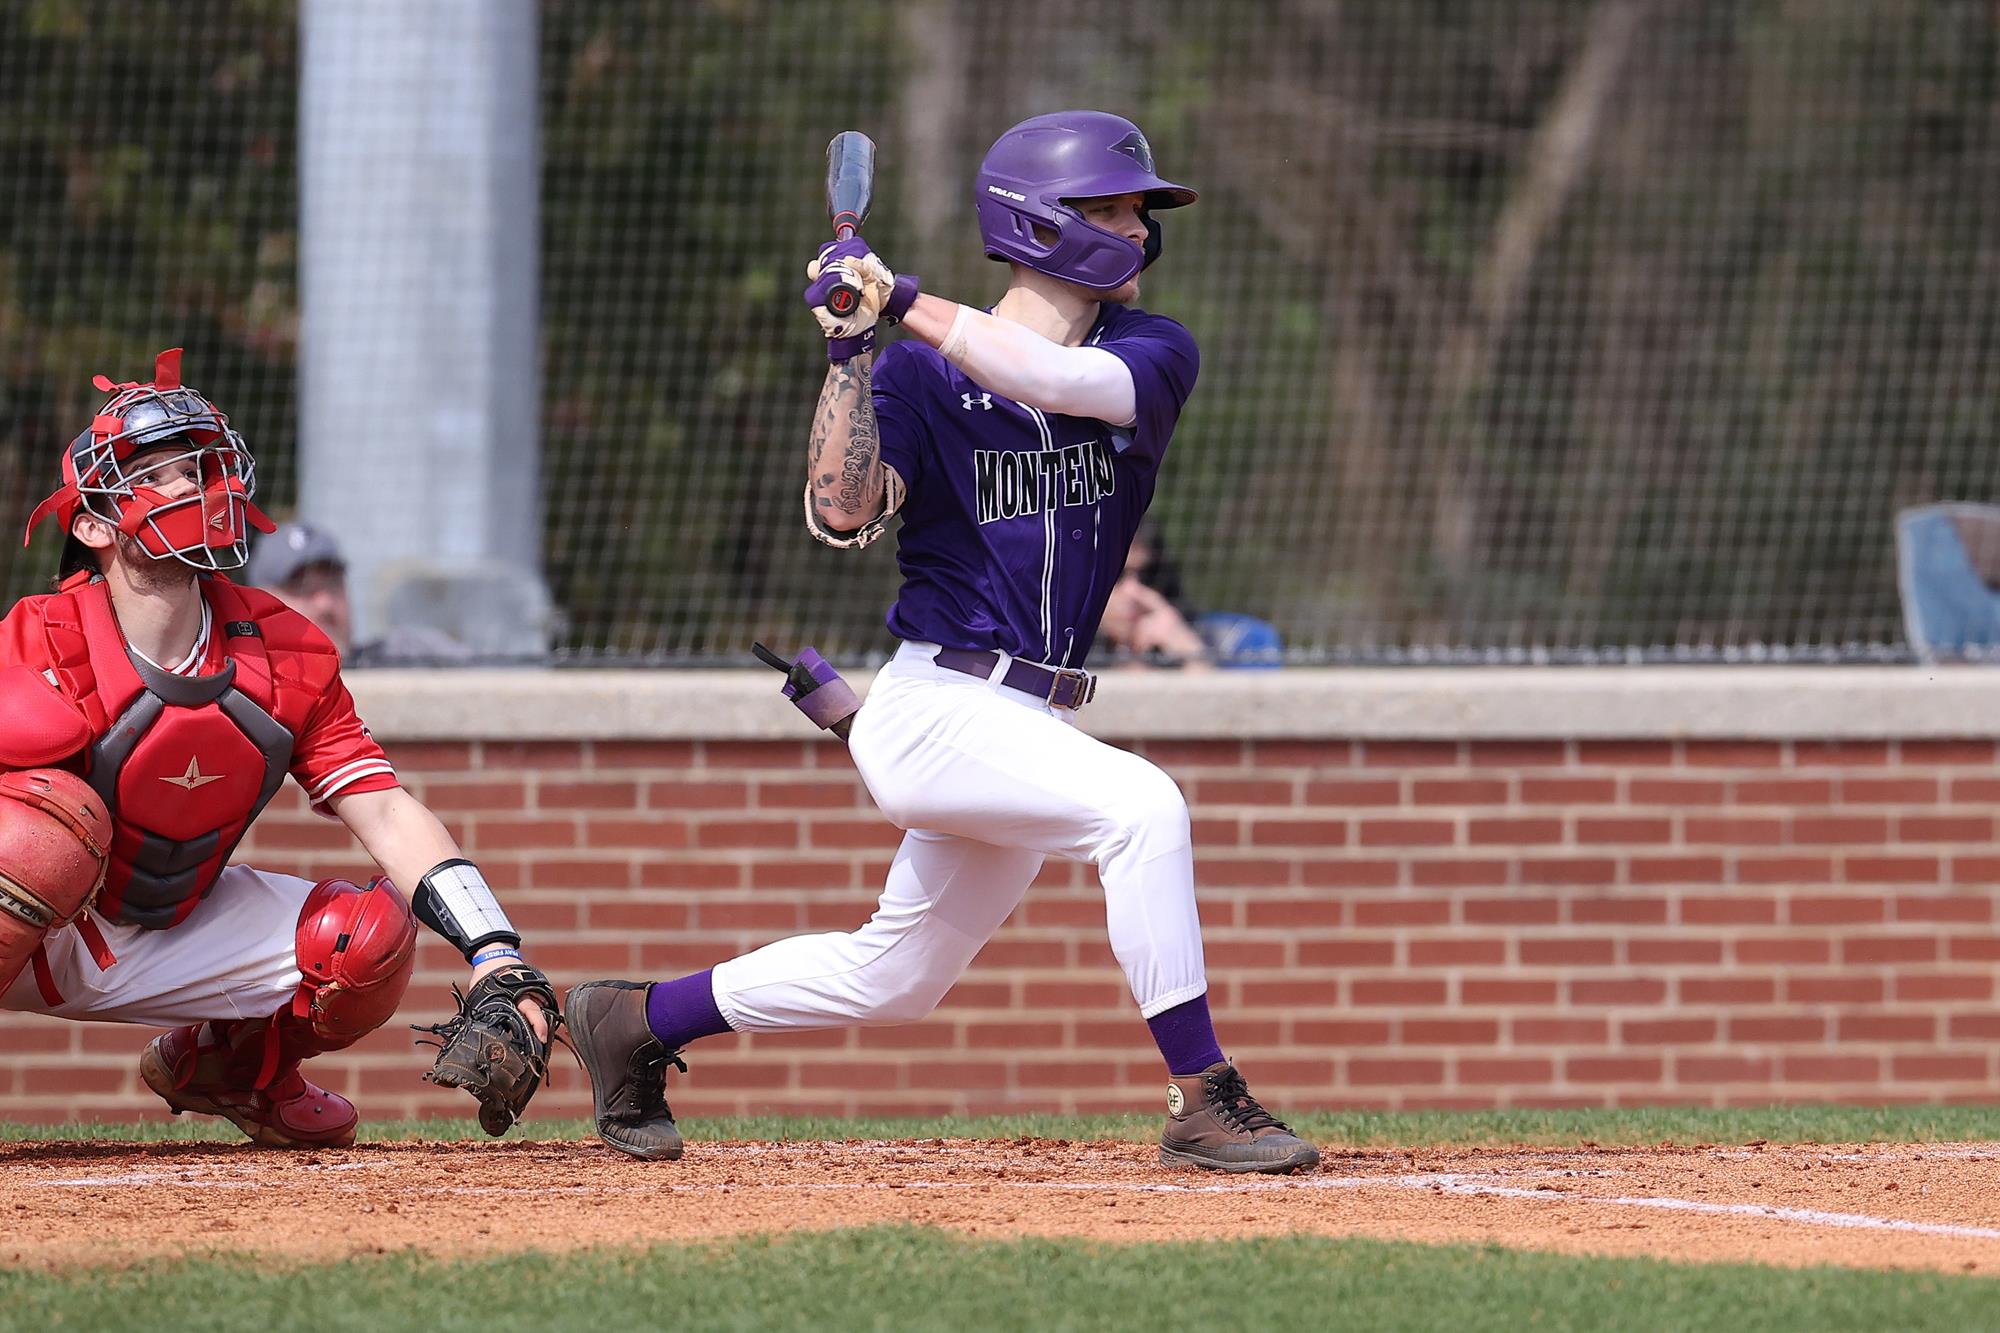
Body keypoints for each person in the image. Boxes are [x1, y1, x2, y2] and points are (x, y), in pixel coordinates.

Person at [568, 112, 1318, 1174]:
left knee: (896, 975)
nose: (1137, 231)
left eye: (1137, 211)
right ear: (1040, 224)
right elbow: (841, 510)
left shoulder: (1151, 351)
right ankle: (1202, 1095)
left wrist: (903, 298)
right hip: (939, 704)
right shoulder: (919, 378)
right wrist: (849, 351)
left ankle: (635, 1020)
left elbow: (1054, 383)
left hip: (1028, 716)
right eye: (1110, 208)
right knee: (1143, 808)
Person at [0, 348, 554, 1147]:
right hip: (38, 930)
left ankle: (229, 1069)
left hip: (169, 921)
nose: (190, 486)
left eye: (199, 467)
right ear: (91, 524)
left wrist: (496, 952)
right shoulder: (39, 636)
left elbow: (385, 810)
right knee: (42, 830)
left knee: (365, 937)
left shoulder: (284, 649)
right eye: (155, 474)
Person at [244, 519, 470, 666]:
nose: (325, 604)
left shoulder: (404, 655)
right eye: (301, 588)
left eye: (333, 584)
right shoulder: (244, 699)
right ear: (259, 605)